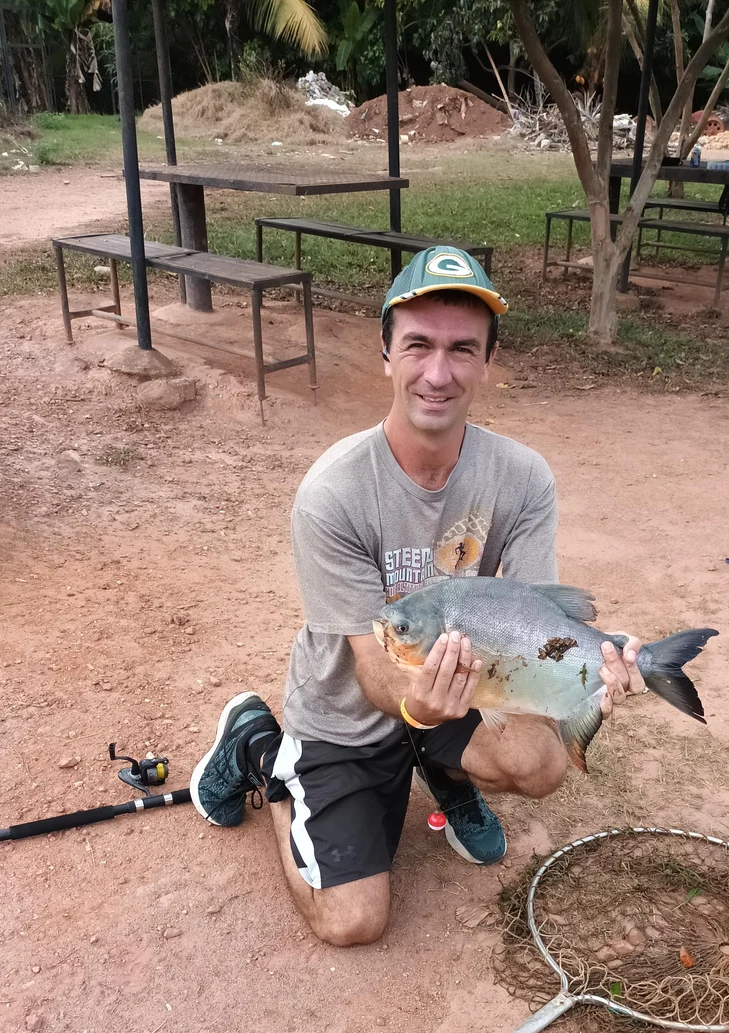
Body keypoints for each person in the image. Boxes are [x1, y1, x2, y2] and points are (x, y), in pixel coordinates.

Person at [190, 247, 646, 947]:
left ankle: (436, 766)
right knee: (353, 922)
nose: (439, 373)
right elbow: (375, 671)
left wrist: (590, 674)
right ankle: (258, 746)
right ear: (386, 355)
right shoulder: (333, 493)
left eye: (463, 349)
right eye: (419, 346)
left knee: (541, 762)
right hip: (351, 710)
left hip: (460, 691)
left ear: (488, 363)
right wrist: (418, 707)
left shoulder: (523, 479)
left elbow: (540, 629)